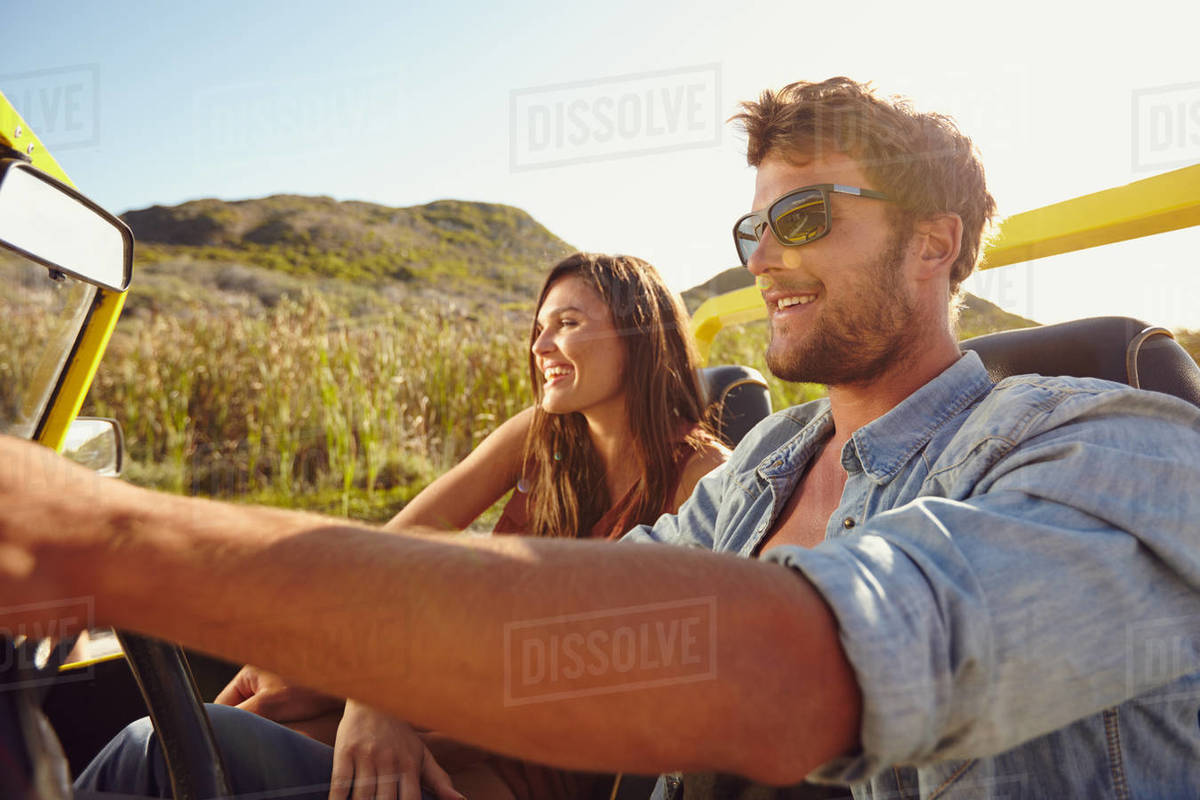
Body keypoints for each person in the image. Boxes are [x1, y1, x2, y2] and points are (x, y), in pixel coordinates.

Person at [4, 77, 1200, 799]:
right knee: (158, 753)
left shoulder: (1107, 444)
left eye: (803, 215)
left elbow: (797, 666)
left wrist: (109, 538)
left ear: (935, 241)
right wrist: (363, 668)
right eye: (754, 230)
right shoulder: (770, 468)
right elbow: (587, 632)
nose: (766, 258)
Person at [75, 251, 729, 800]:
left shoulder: (705, 478)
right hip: (445, 716)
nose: (540, 347)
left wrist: (381, 695)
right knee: (225, 717)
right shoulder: (540, 436)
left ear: (639, 333)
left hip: (526, 766)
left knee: (157, 751)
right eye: (538, 327)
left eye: (568, 323)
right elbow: (380, 556)